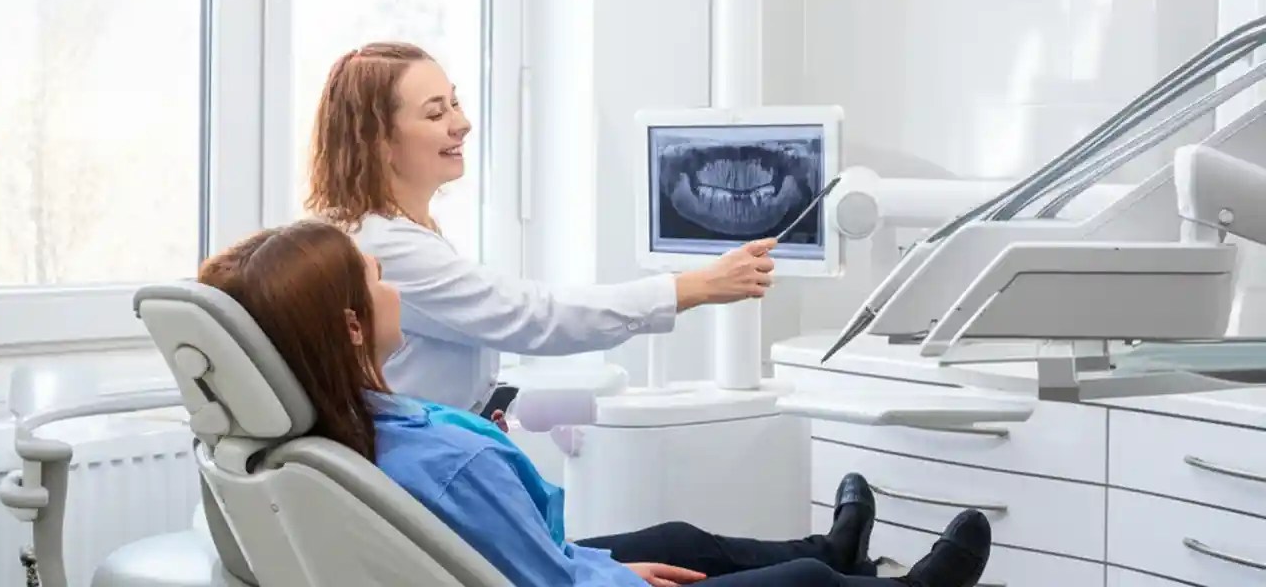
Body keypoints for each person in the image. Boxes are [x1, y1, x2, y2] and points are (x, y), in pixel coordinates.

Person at [197, 220, 994, 587]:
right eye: (377, 281)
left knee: (681, 536)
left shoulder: (335, 435)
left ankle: (839, 551)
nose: (394, 284)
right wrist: (613, 578)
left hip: (545, 570)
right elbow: (534, 315)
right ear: (349, 324)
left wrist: (594, 566)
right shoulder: (449, 460)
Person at [305, 41, 779, 412]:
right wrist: (692, 287)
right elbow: (531, 315)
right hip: (427, 470)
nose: (463, 123)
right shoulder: (384, 248)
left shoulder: (391, 227)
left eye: (455, 103)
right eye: (435, 113)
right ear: (377, 141)